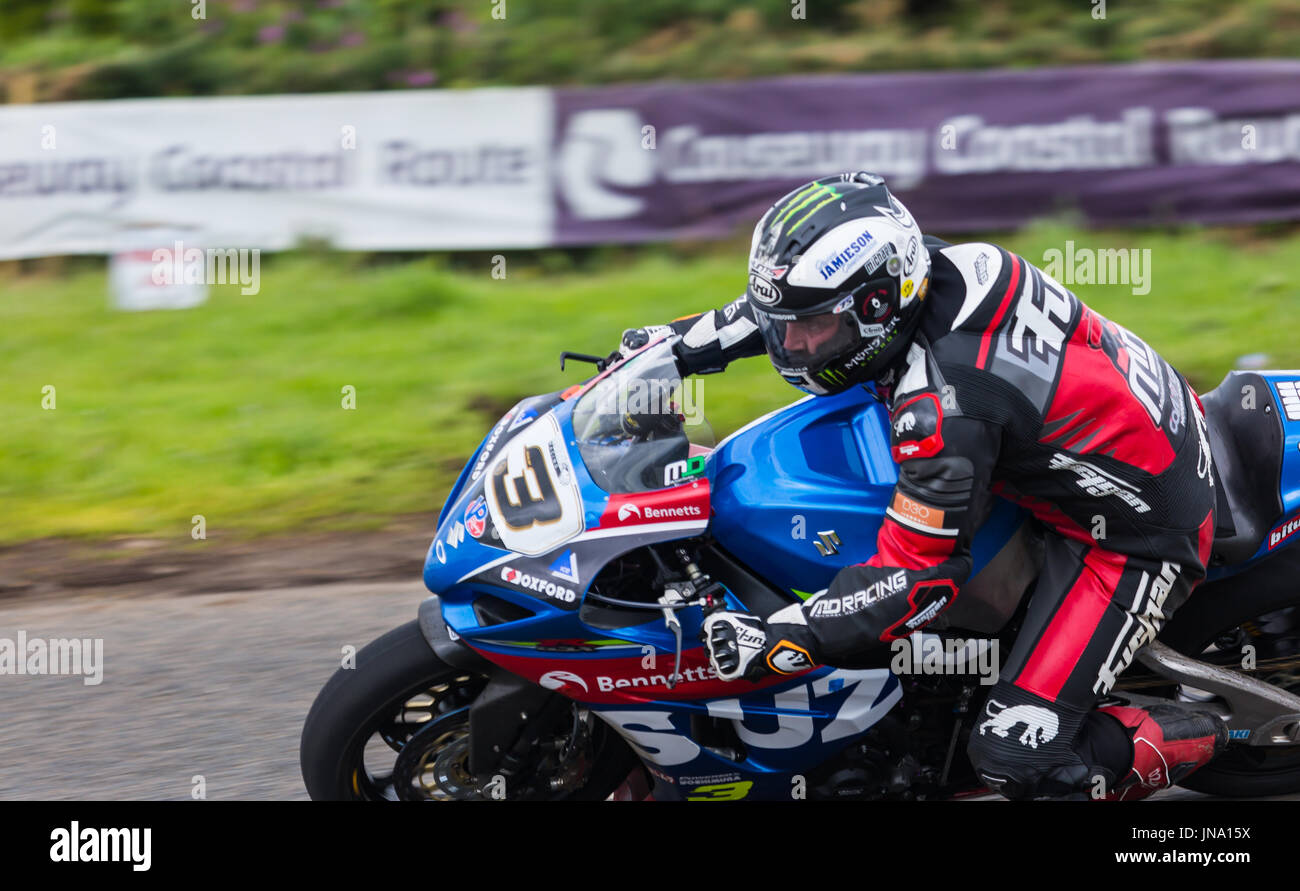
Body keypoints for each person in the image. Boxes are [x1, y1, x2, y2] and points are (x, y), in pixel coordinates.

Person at [617, 171, 1227, 800]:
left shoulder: (945, 407)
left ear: (880, 306)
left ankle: (1208, 736)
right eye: (786, 324)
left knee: (1016, 758)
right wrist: (669, 351)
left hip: (1138, 531)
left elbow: (916, 582)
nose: (792, 345)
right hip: (1114, 427)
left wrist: (783, 639)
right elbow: (782, 308)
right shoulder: (928, 268)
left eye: (813, 328)